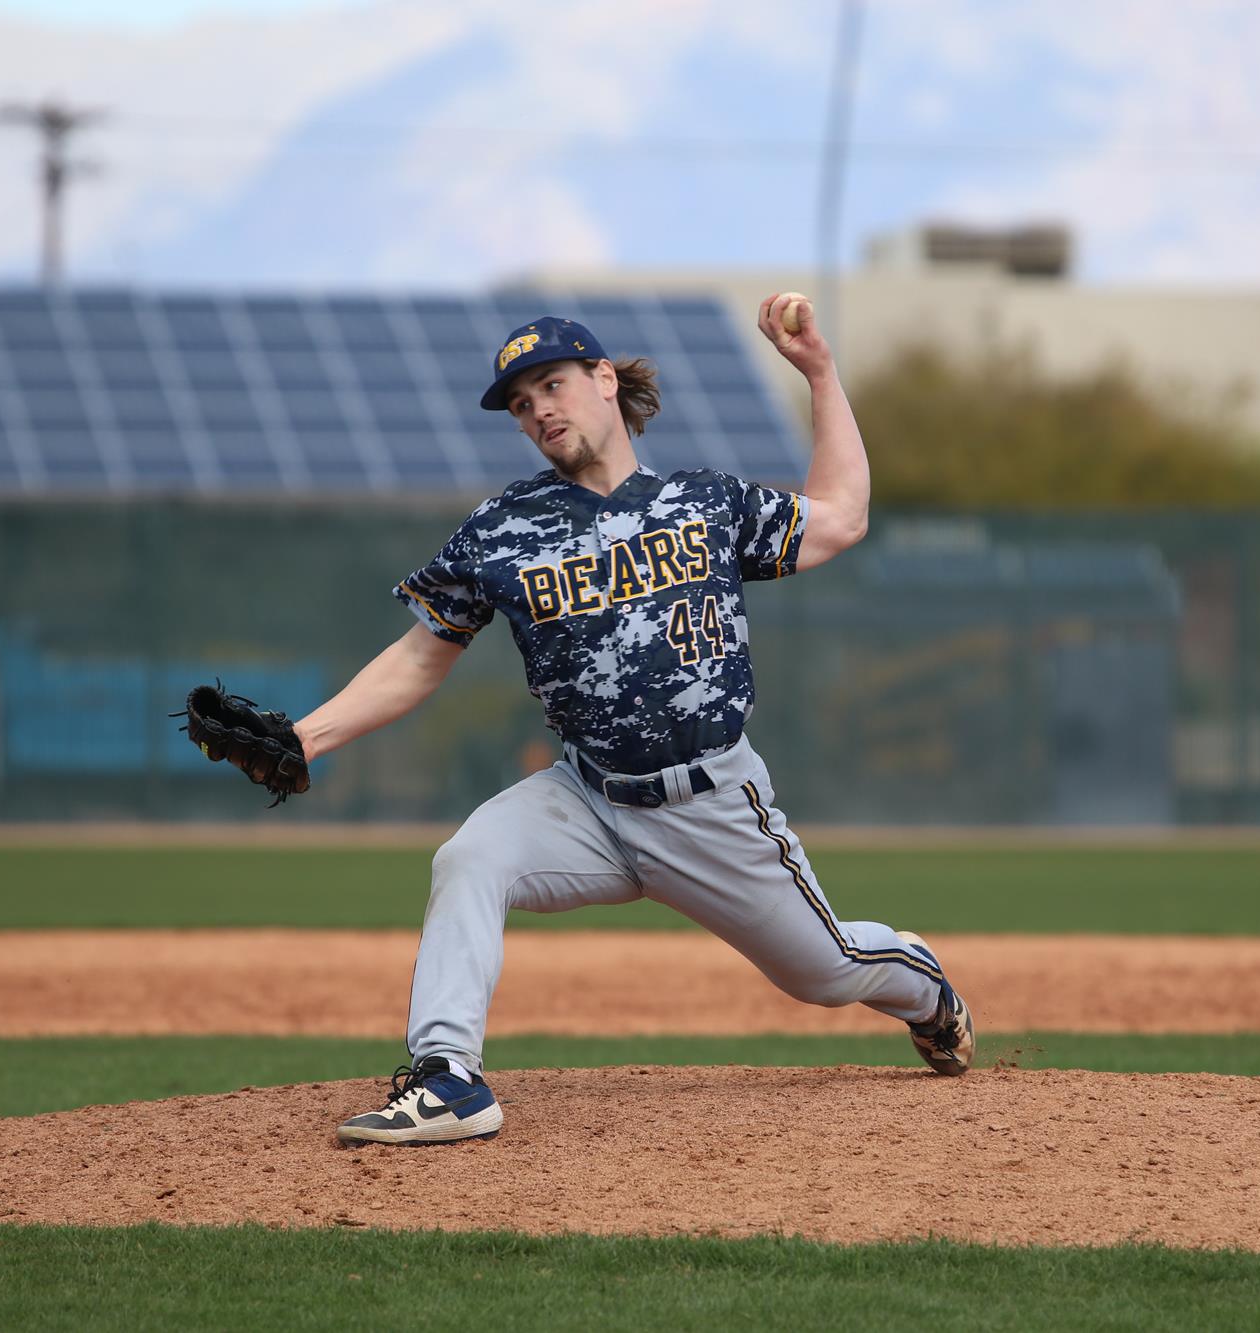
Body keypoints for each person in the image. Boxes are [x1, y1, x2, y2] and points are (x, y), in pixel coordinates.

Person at [297, 295, 973, 1147]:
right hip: (586, 800)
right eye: (519, 401)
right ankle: (449, 1080)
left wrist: (819, 373)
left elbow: (841, 518)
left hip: (714, 804)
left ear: (605, 379)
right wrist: (306, 739)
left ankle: (925, 988)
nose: (537, 407)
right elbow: (421, 653)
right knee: (470, 856)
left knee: (826, 970)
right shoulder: (503, 529)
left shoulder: (704, 503)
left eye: (551, 383)